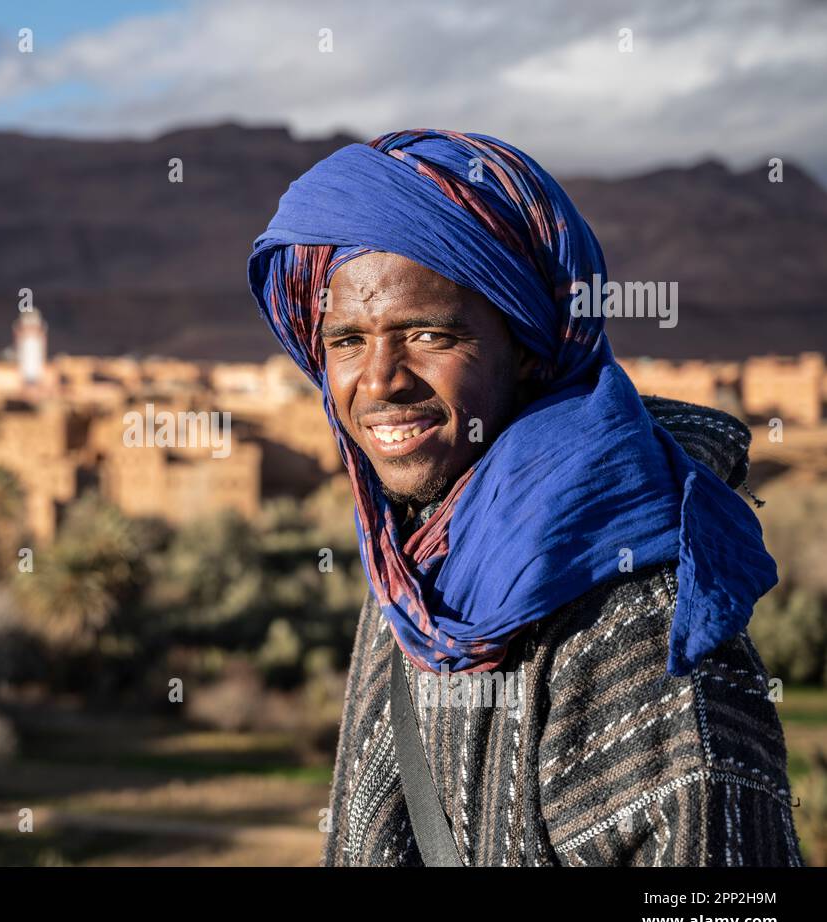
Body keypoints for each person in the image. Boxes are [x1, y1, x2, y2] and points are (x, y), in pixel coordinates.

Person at [247, 129, 803, 866]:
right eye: (346, 341)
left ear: (531, 346)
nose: (378, 381)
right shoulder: (413, 570)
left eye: (427, 334)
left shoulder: (637, 617)